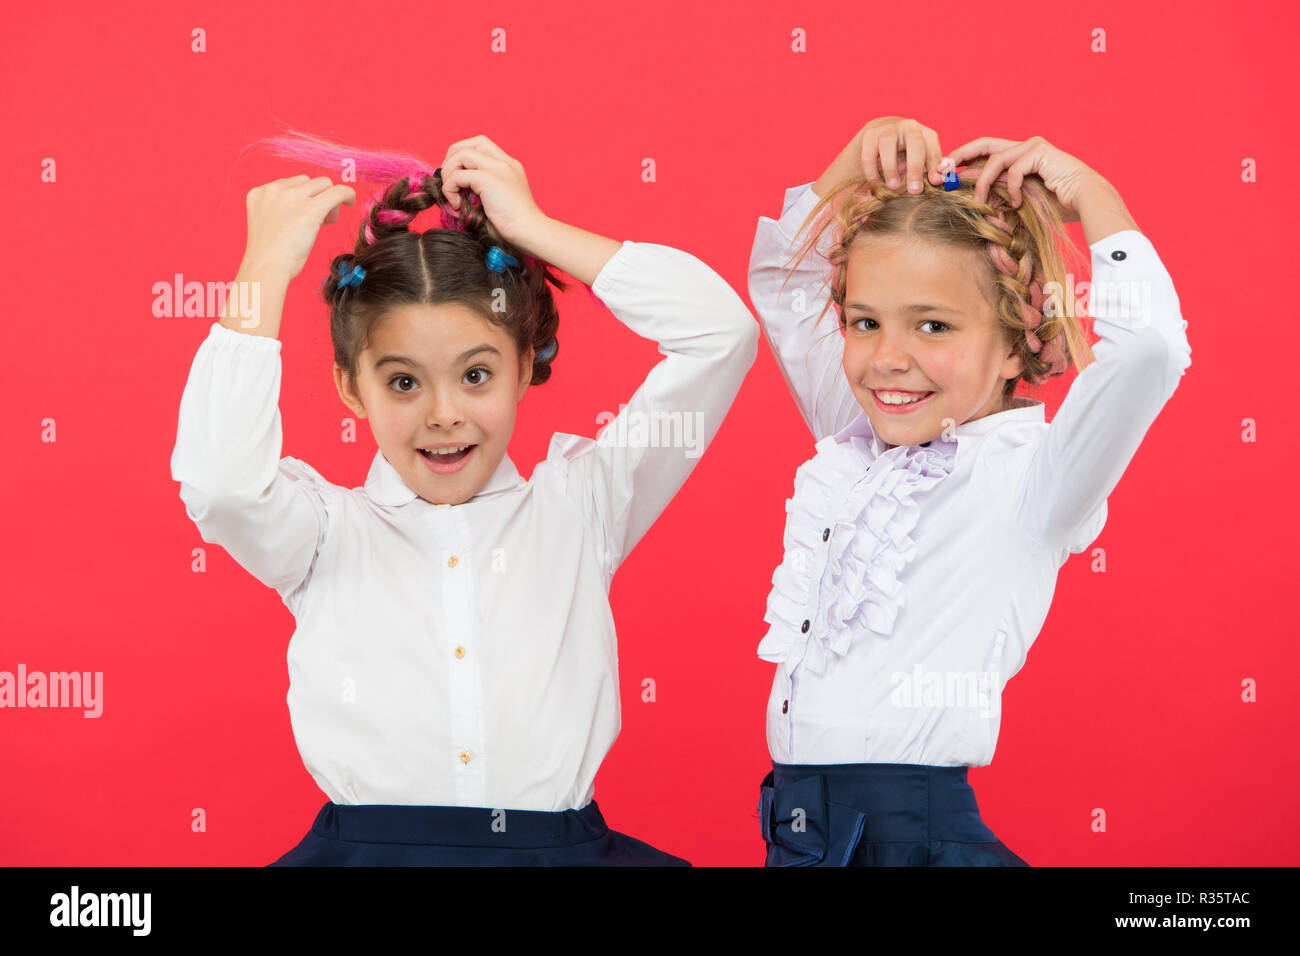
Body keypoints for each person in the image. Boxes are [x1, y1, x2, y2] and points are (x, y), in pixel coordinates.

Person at [169, 131, 758, 865]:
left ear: (525, 365)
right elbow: (221, 487)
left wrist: (534, 229)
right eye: (404, 382)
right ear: (352, 387)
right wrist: (261, 272)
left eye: (476, 376)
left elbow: (719, 334)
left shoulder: (582, 508)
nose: (443, 413)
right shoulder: (323, 535)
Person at [746, 116, 1191, 865]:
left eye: (933, 326)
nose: (889, 358)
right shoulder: (863, 435)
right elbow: (781, 287)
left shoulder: (1033, 477)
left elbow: (1149, 351)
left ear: (1017, 339)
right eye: (864, 321)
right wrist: (852, 163)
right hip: (801, 832)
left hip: (909, 837)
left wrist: (1097, 196)